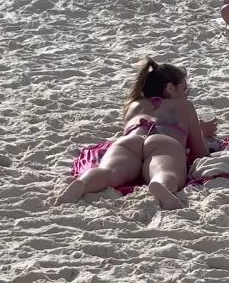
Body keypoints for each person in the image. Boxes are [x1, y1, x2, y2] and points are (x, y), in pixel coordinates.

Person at [51, 57, 210, 210]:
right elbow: (200, 153)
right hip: (164, 141)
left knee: (108, 172)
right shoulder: (184, 105)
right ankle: (160, 186)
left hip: (129, 142)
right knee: (166, 171)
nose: (186, 93)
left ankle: (83, 184)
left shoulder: (134, 105)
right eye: (184, 89)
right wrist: (201, 132)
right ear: (170, 87)